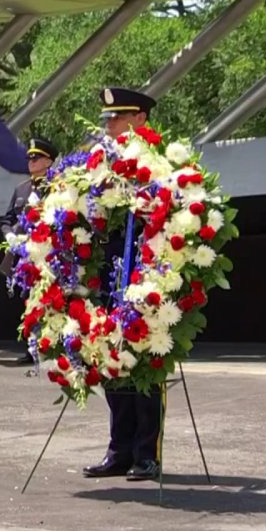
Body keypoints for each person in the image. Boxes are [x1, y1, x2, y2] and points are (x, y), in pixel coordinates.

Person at [83, 87, 164, 482]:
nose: (110, 123)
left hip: (146, 270)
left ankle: (146, 453)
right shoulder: (101, 164)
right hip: (110, 270)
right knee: (112, 359)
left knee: (145, 364)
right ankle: (120, 449)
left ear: (140, 119)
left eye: (118, 117)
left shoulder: (158, 162)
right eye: (108, 118)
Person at [1, 137, 58, 365]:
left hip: (48, 253)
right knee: (27, 300)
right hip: (24, 254)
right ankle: (31, 347)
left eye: (37, 158)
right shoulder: (21, 188)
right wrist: (9, 235)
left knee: (49, 299)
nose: (31, 162)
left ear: (49, 161)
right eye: (30, 158)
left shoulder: (57, 186)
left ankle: (50, 346)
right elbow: (7, 219)